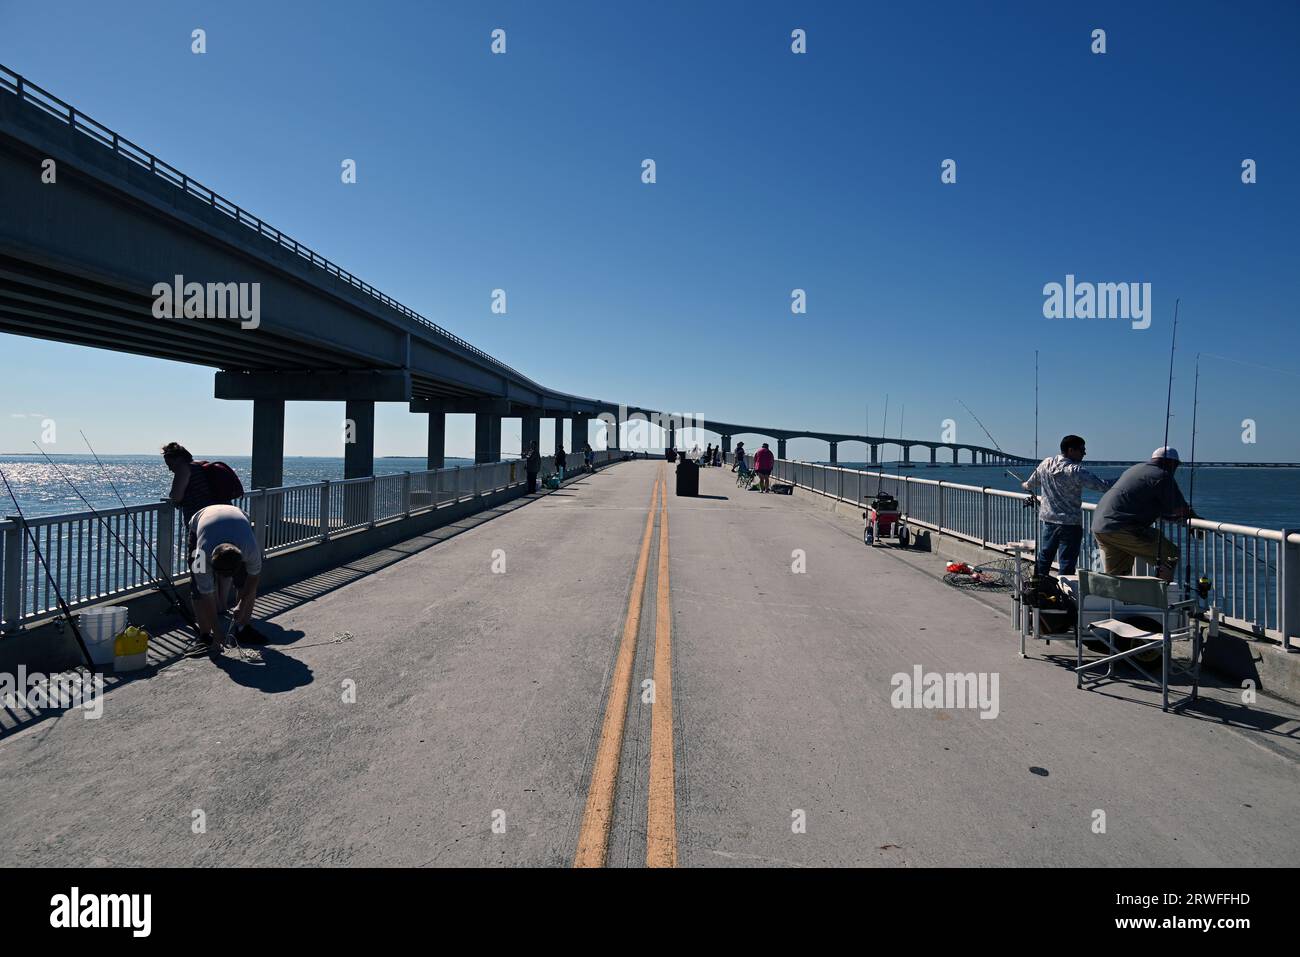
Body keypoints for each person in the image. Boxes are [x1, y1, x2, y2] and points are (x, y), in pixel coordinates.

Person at [1091, 447, 1196, 581]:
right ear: (1172, 463)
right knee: (1170, 554)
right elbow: (1180, 510)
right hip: (1123, 528)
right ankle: (1161, 595)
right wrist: (1195, 519)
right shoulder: (1162, 475)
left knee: (1117, 575)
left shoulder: (1135, 469)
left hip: (1101, 526)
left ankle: (1115, 599)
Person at [1021, 434, 1112, 577]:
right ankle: (1063, 594)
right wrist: (1126, 479)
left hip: (1049, 521)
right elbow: (1102, 486)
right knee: (1067, 563)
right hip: (1070, 524)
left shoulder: (1046, 464)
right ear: (1071, 450)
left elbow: (1031, 483)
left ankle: (1038, 590)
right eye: (1082, 450)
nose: (1084, 453)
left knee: (1044, 557)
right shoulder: (1075, 470)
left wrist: (1025, 485)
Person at [184, 504, 263, 657]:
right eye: (221, 574)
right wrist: (217, 631)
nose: (224, 578)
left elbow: (254, 577)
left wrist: (241, 604)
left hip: (238, 519)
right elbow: (205, 592)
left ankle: (243, 628)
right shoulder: (201, 554)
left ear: (241, 560)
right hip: (200, 520)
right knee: (197, 586)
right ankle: (205, 636)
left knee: (244, 581)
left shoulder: (250, 548)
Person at [163, 442, 229, 526]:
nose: (170, 469)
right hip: (223, 512)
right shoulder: (202, 465)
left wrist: (173, 498)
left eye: (170, 464)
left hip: (204, 520)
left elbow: (176, 497)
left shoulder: (183, 468)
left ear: (178, 459)